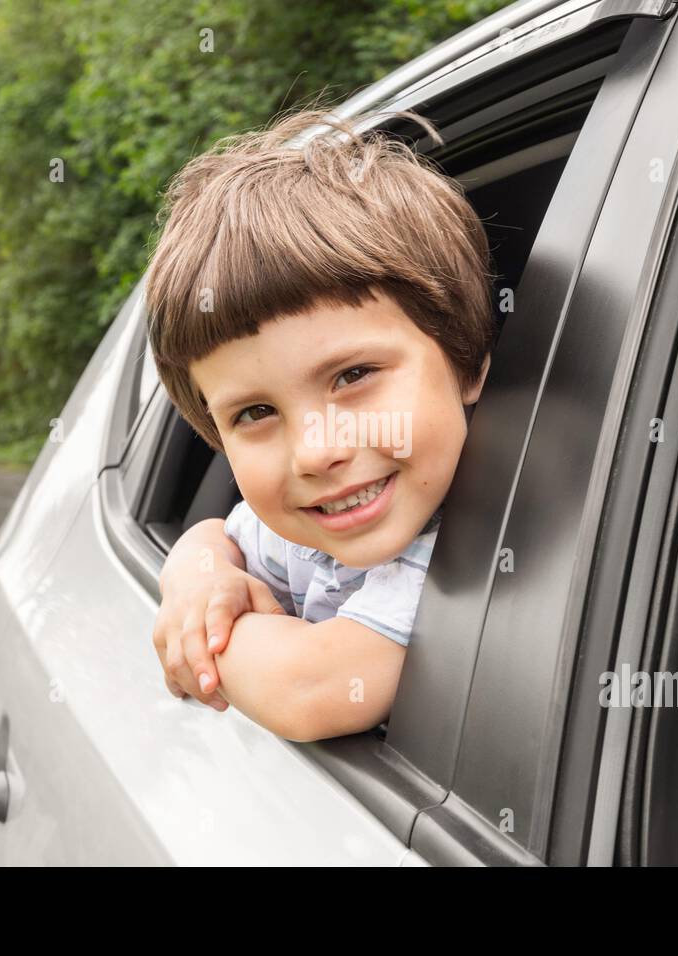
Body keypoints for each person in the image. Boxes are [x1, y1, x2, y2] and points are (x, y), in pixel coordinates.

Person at [145, 107, 494, 742]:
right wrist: (199, 577)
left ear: (466, 360)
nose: (315, 453)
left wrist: (203, 636)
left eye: (354, 375)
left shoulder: (466, 548)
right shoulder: (308, 524)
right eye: (255, 413)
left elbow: (309, 692)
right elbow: (214, 534)